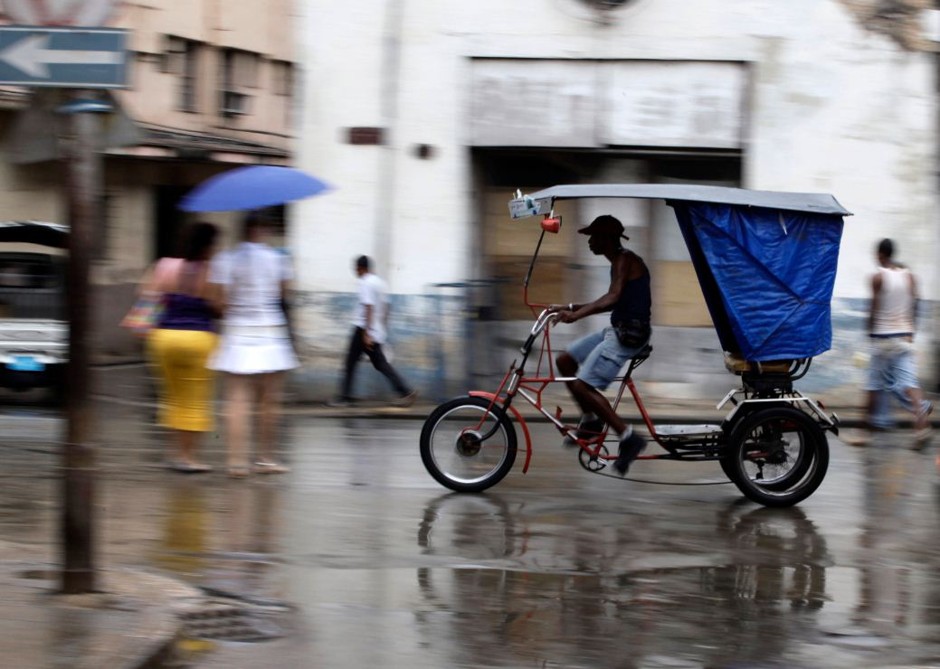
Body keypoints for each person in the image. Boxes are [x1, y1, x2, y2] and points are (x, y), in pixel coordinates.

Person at [549, 215, 651, 476]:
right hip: (617, 330)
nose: (590, 242)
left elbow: (612, 297)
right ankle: (592, 421)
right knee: (565, 360)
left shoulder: (625, 259)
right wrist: (569, 307)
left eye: (593, 237)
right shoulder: (617, 261)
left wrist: (576, 315)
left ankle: (628, 437)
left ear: (606, 238)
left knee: (583, 385)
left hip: (630, 335)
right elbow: (610, 300)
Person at [208, 212, 299, 477]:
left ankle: (236, 463)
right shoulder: (279, 258)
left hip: (237, 332)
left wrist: (235, 307)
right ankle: (265, 458)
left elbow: (217, 302)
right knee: (269, 401)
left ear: (243, 230)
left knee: (236, 399)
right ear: (264, 231)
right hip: (271, 332)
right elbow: (285, 293)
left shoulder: (225, 259)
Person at [145, 221, 222, 473]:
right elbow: (219, 306)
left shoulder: (165, 265)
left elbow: (148, 296)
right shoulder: (211, 271)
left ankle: (173, 453)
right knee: (195, 400)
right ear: (208, 245)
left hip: (164, 338)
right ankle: (188, 457)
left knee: (172, 397)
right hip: (197, 340)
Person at [848, 238, 932, 448]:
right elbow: (915, 305)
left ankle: (864, 434)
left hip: (882, 339)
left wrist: (868, 333)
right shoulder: (909, 276)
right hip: (904, 338)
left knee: (873, 387)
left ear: (880, 254)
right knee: (910, 385)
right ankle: (921, 428)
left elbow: (873, 309)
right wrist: (912, 331)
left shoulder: (878, 277)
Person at [332, 255, 417, 407]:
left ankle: (344, 397)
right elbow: (386, 308)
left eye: (356, 269)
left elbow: (368, 307)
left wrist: (366, 333)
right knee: (380, 364)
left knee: (350, 362)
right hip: (375, 329)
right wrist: (381, 327)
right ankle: (405, 391)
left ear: (361, 268)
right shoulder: (380, 283)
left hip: (363, 329)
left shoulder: (365, 282)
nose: (355, 272)